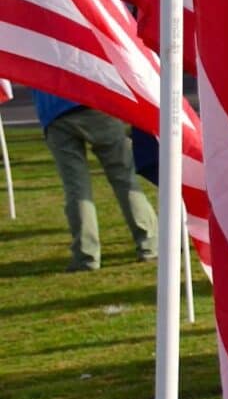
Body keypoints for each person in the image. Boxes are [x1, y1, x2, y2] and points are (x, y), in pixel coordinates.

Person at [31, 89, 157, 272]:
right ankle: (149, 245)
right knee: (124, 178)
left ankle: (86, 256)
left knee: (76, 186)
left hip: (54, 111)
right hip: (95, 100)